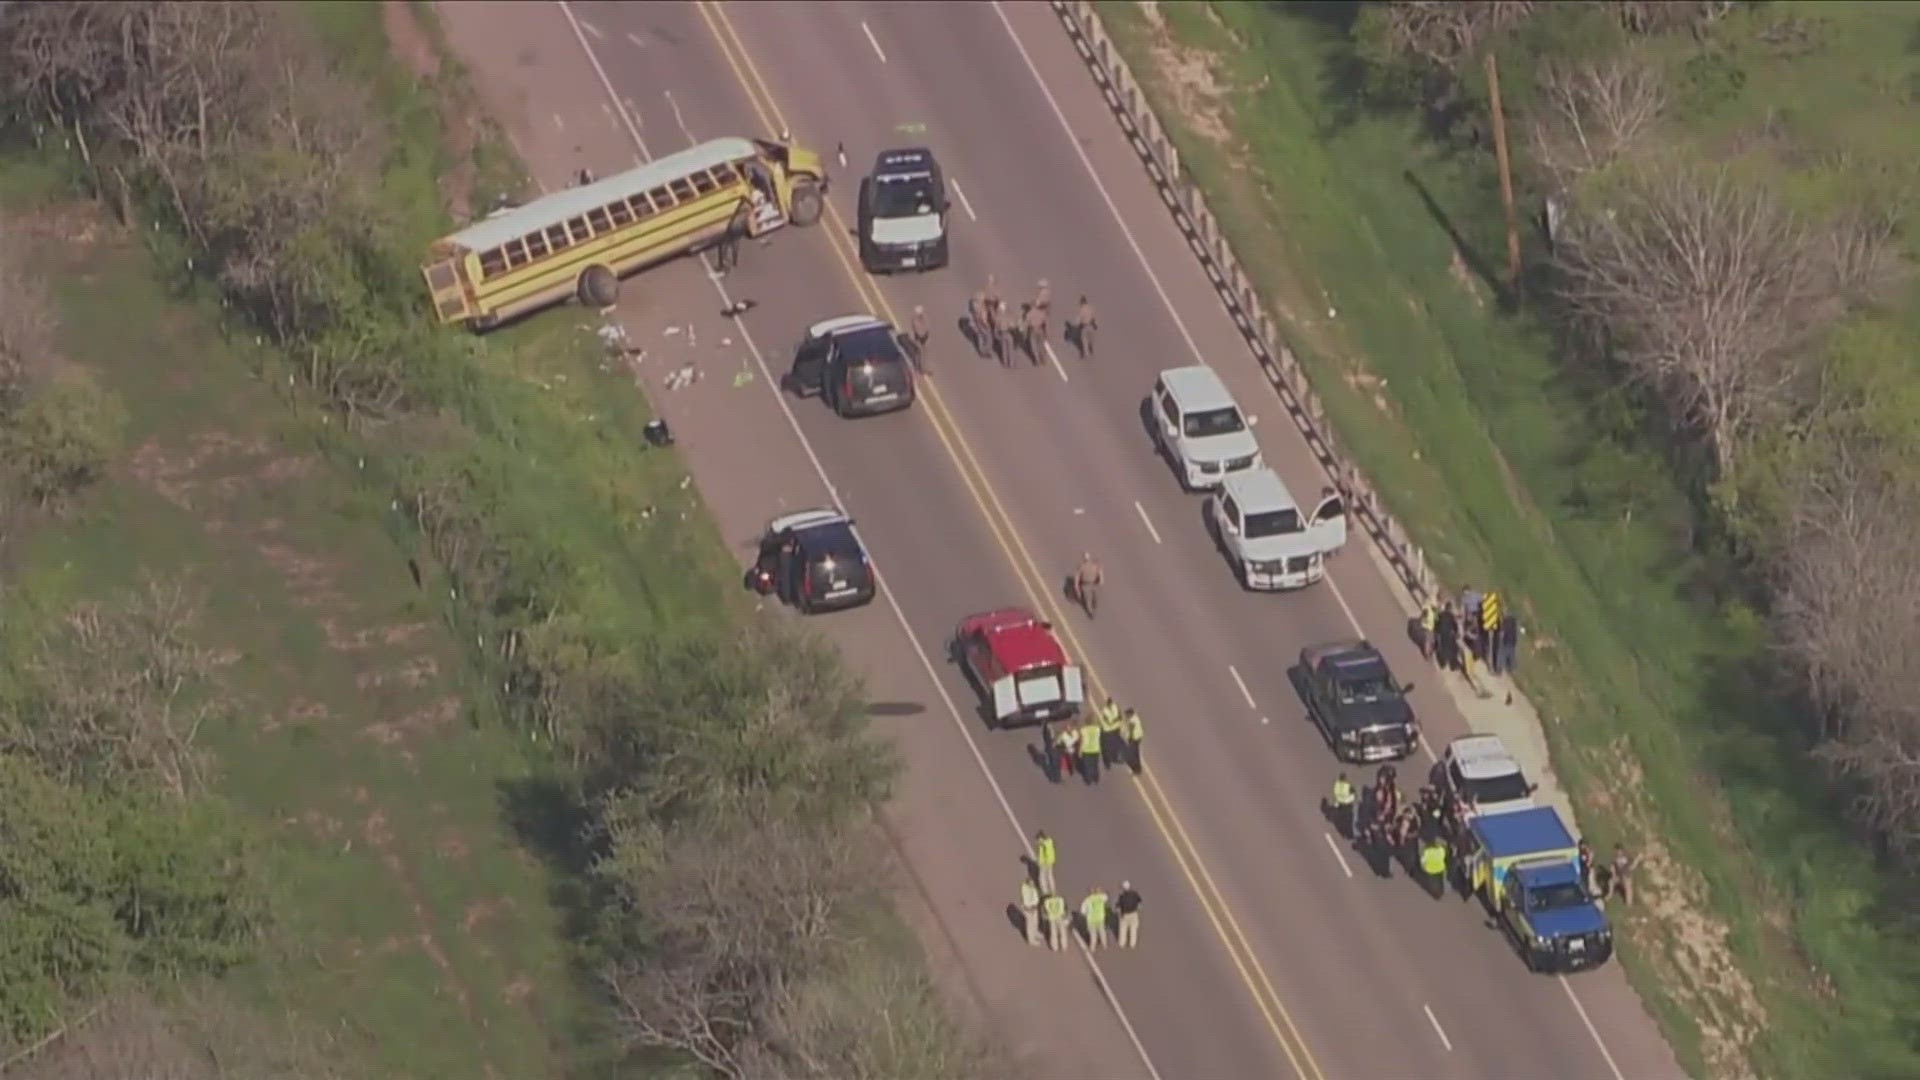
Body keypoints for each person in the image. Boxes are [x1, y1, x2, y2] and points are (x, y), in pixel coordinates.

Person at [1081, 885, 1110, 951]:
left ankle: (1092, 947)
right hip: (1100, 918)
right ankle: (1104, 945)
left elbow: (1083, 911)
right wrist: (1100, 892)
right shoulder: (1101, 897)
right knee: (1102, 932)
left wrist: (1086, 914)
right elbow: (1106, 897)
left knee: (1093, 935)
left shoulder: (1087, 900)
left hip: (1091, 920)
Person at [1115, 881, 1143, 949]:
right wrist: (1138, 907)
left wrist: (1118, 910)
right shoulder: (1135, 893)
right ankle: (1132, 944)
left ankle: (1122, 943)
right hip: (1133, 913)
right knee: (1133, 929)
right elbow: (1140, 901)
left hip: (1125, 915)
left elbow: (1118, 905)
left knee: (1123, 929)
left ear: (1123, 888)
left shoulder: (1121, 895)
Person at [1075, 553, 1103, 619]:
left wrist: (1076, 585)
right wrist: (1101, 580)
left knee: (1087, 598)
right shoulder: (1094, 565)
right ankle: (1093, 607)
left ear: (1084, 559)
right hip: (1093, 583)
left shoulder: (1081, 566)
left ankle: (1090, 611)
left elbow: (1077, 576)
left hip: (1085, 583)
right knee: (1093, 596)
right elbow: (1099, 572)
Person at [1077, 715, 1103, 784]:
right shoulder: (1097, 729)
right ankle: (1096, 778)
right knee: (1095, 764)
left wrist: (1080, 750)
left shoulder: (1083, 730)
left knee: (1087, 765)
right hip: (1096, 749)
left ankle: (1088, 780)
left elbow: (1082, 741)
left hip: (1086, 750)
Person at [1098, 700, 1124, 768]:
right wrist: (1116, 720)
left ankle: (1115, 758)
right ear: (1107, 705)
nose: (1110, 706)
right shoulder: (1104, 711)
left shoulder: (1115, 707)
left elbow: (1120, 716)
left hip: (1115, 729)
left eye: (1111, 704)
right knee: (1106, 747)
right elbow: (1109, 722)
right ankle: (1107, 763)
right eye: (1109, 705)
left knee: (1115, 745)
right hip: (1106, 730)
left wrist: (1118, 720)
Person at [1330, 772, 1357, 838]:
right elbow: (1353, 792)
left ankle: (1343, 832)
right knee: (1348, 819)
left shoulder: (1337, 784)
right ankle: (1347, 832)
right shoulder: (1347, 785)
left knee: (1342, 819)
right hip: (1347, 804)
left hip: (1340, 804)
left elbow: (1336, 794)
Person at [908, 304, 931, 371]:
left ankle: (920, 367)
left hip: (923, 337)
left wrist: (925, 337)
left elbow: (927, 328)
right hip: (917, 336)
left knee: (923, 352)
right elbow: (913, 327)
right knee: (917, 351)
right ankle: (916, 365)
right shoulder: (914, 318)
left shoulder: (925, 318)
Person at [1019, 877, 1042, 946]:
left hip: (1034, 907)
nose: (1033, 884)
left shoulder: (1032, 887)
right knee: (1030, 923)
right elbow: (1026, 900)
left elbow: (1035, 895)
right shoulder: (1025, 889)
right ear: (1028, 883)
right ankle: (1031, 939)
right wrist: (1030, 908)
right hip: (1029, 908)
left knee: (1035, 921)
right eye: (1031, 883)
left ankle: (1035, 932)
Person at [1034, 830, 1058, 895]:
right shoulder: (1049, 842)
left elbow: (1045, 854)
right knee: (1050, 876)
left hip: (1045, 863)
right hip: (1050, 861)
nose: (1038, 841)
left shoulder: (1043, 845)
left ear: (1041, 838)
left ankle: (1045, 891)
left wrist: (1042, 862)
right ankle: (1053, 890)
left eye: (1038, 839)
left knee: (1042, 877)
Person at [1123, 708, 1145, 775]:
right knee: (1136, 754)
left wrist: (1129, 738)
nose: (1126, 716)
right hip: (1138, 738)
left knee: (1131, 755)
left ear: (1130, 714)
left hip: (1134, 739)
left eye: (1127, 714)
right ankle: (1138, 769)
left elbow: (1131, 730)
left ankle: (1136, 769)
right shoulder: (1136, 718)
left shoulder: (1132, 720)